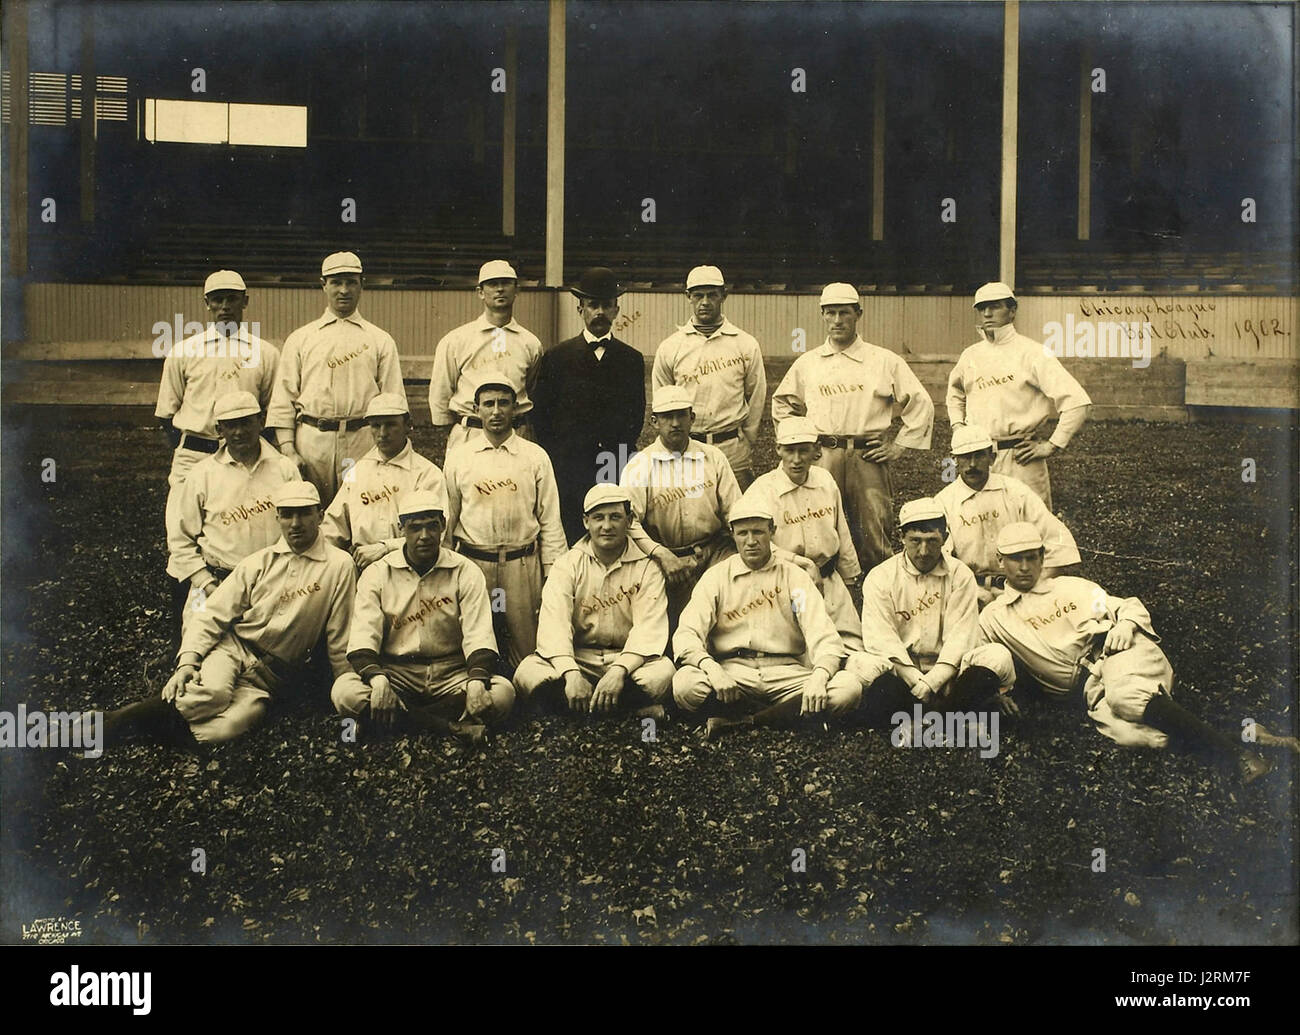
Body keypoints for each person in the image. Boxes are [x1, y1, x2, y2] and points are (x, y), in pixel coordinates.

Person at [978, 523, 1296, 782]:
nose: (1024, 567)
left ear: (1043, 556)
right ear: (1000, 559)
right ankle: (1246, 734)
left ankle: (1237, 757)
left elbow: (1126, 606)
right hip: (1089, 688)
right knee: (1135, 736)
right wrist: (997, 692)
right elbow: (980, 656)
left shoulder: (1069, 587)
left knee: (1126, 697)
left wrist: (1125, 626)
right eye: (1015, 558)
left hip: (1120, 654)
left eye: (1032, 557)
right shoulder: (995, 616)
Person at [104, 482, 355, 747]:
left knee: (227, 727)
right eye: (287, 514)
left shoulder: (339, 565)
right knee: (210, 695)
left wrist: (343, 685)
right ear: (277, 518)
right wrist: (188, 663)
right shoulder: (259, 562)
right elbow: (213, 614)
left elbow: (340, 633)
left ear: (320, 515)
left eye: (304, 513)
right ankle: (108, 725)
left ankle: (142, 722)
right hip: (233, 648)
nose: (296, 523)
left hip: (272, 674)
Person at [330, 489, 515, 744]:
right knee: (344, 692)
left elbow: (479, 634)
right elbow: (363, 636)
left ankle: (397, 720)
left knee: (503, 693)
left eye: (431, 526)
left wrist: (475, 681)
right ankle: (451, 726)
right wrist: (379, 679)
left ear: (443, 526)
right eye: (415, 528)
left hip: (451, 672)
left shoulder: (465, 571)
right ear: (401, 529)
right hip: (398, 672)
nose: (425, 536)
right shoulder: (377, 573)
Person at [771, 282, 933, 571]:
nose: (837, 320)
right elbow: (783, 403)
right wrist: (800, 445)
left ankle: (877, 592)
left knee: (873, 530)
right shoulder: (809, 362)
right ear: (822, 315)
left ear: (858, 314)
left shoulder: (883, 359)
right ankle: (827, 591)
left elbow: (920, 402)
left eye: (844, 313)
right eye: (830, 313)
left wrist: (897, 446)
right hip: (823, 455)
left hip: (866, 456)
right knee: (819, 524)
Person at [671, 498, 860, 739]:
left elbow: (822, 634)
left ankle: (742, 719)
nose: (751, 542)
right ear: (732, 534)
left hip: (786, 671)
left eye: (758, 532)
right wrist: (713, 670)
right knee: (685, 684)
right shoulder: (716, 577)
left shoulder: (794, 577)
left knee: (847, 689)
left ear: (772, 531)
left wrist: (819, 676)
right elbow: (687, 633)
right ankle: (791, 716)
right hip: (733, 672)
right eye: (743, 534)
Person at [849, 498, 1017, 735]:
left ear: (946, 538)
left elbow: (961, 635)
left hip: (951, 671)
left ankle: (920, 717)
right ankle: (955, 715)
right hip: (904, 671)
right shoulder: (881, 577)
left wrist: (934, 681)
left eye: (932, 541)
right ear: (901, 537)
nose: (924, 551)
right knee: (860, 664)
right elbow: (881, 638)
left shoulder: (960, 574)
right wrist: (917, 681)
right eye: (915, 541)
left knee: (997, 656)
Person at [514, 484, 675, 719]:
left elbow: (648, 629)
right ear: (585, 522)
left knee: (663, 673)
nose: (607, 526)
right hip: (579, 658)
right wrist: (571, 674)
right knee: (527, 672)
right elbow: (554, 627)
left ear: (630, 520)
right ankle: (625, 709)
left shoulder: (647, 568)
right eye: (598, 518)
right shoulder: (567, 564)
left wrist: (619, 671)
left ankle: (577, 707)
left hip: (626, 659)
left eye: (615, 517)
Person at [442, 375, 567, 671]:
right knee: (474, 644)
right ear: (476, 409)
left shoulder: (535, 456)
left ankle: (528, 699)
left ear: (516, 409)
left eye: (503, 404)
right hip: (475, 563)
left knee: (528, 653)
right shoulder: (459, 458)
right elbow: (448, 517)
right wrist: (445, 566)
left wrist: (553, 571)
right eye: (488, 404)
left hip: (521, 564)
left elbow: (550, 518)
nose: (496, 411)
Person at [268, 251, 406, 501]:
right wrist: (288, 449)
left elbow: (393, 399)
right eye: (336, 282)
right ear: (323, 285)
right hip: (312, 440)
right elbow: (283, 398)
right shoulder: (301, 338)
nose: (344, 290)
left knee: (361, 510)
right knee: (309, 508)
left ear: (362, 284)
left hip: (362, 440)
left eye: (351, 282)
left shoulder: (379, 339)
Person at [154, 269, 279, 544]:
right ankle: (185, 586)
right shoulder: (184, 351)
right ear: (206, 303)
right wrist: (191, 444)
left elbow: (272, 410)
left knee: (237, 529)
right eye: (217, 300)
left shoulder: (265, 353)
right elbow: (167, 412)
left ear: (244, 302)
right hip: (194, 452)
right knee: (181, 532)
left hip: (244, 455)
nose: (225, 307)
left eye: (232, 299)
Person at [166, 391, 300, 640]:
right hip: (216, 583)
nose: (239, 432)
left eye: (246, 422)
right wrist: (206, 583)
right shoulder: (201, 475)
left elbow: (300, 529)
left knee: (272, 666)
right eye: (231, 425)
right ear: (219, 430)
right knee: (198, 659)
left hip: (272, 584)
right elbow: (180, 541)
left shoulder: (284, 469)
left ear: (260, 422)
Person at [946, 282, 1091, 507]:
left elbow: (1077, 401)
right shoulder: (971, 355)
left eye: (995, 306)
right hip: (979, 457)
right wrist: (958, 426)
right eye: (981, 308)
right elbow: (955, 392)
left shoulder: (1033, 353)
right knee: (981, 522)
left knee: (1029, 528)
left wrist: (1051, 445)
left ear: (1012, 310)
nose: (987, 313)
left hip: (1020, 458)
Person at [532, 266, 646, 544]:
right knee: (573, 535)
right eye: (593, 305)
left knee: (612, 534)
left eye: (606, 305)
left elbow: (635, 417)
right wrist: (562, 459)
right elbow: (542, 417)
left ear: (617, 310)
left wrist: (616, 458)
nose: (600, 312)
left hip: (614, 463)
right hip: (569, 468)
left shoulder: (631, 359)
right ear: (580, 308)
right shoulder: (557, 358)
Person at [619, 385, 741, 623]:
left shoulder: (713, 457)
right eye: (667, 416)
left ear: (691, 418)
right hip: (666, 558)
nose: (675, 423)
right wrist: (660, 554)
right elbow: (628, 522)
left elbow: (735, 511)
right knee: (673, 631)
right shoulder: (640, 465)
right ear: (654, 422)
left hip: (714, 552)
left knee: (731, 613)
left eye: (681, 415)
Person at [741, 416, 863, 652]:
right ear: (778, 449)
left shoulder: (825, 480)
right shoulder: (763, 490)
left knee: (850, 647)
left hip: (828, 578)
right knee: (803, 649)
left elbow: (841, 530)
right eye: (790, 451)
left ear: (816, 451)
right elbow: (754, 543)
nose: (796, 460)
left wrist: (848, 579)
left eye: (803, 451)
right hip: (786, 582)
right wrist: (799, 562)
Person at [935, 422, 1081, 607]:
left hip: (1022, 589)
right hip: (967, 593)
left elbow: (1059, 544)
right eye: (965, 457)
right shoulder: (943, 502)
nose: (972, 464)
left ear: (992, 457)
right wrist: (972, 592)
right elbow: (939, 562)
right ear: (954, 460)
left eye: (979, 455)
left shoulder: (1016, 492)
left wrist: (1031, 587)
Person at [652, 265, 766, 489]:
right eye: (698, 295)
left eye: (712, 295)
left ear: (724, 295)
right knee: (688, 515)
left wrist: (747, 440)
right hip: (686, 445)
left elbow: (757, 394)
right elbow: (662, 398)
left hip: (731, 447)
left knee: (737, 515)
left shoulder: (744, 343)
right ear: (688, 297)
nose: (705, 302)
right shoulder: (671, 346)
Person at [428, 260, 543, 454]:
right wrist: (459, 428)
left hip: (516, 435)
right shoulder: (456, 340)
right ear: (480, 292)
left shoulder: (530, 343)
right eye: (492, 284)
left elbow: (531, 389)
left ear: (517, 290)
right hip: (470, 432)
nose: (499, 289)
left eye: (506, 283)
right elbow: (441, 393)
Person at [320, 393, 443, 570]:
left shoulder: (427, 474)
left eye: (391, 424)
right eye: (376, 426)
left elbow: (437, 535)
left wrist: (385, 548)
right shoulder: (358, 471)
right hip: (363, 568)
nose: (382, 433)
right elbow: (333, 527)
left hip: (412, 568)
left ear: (408, 425)